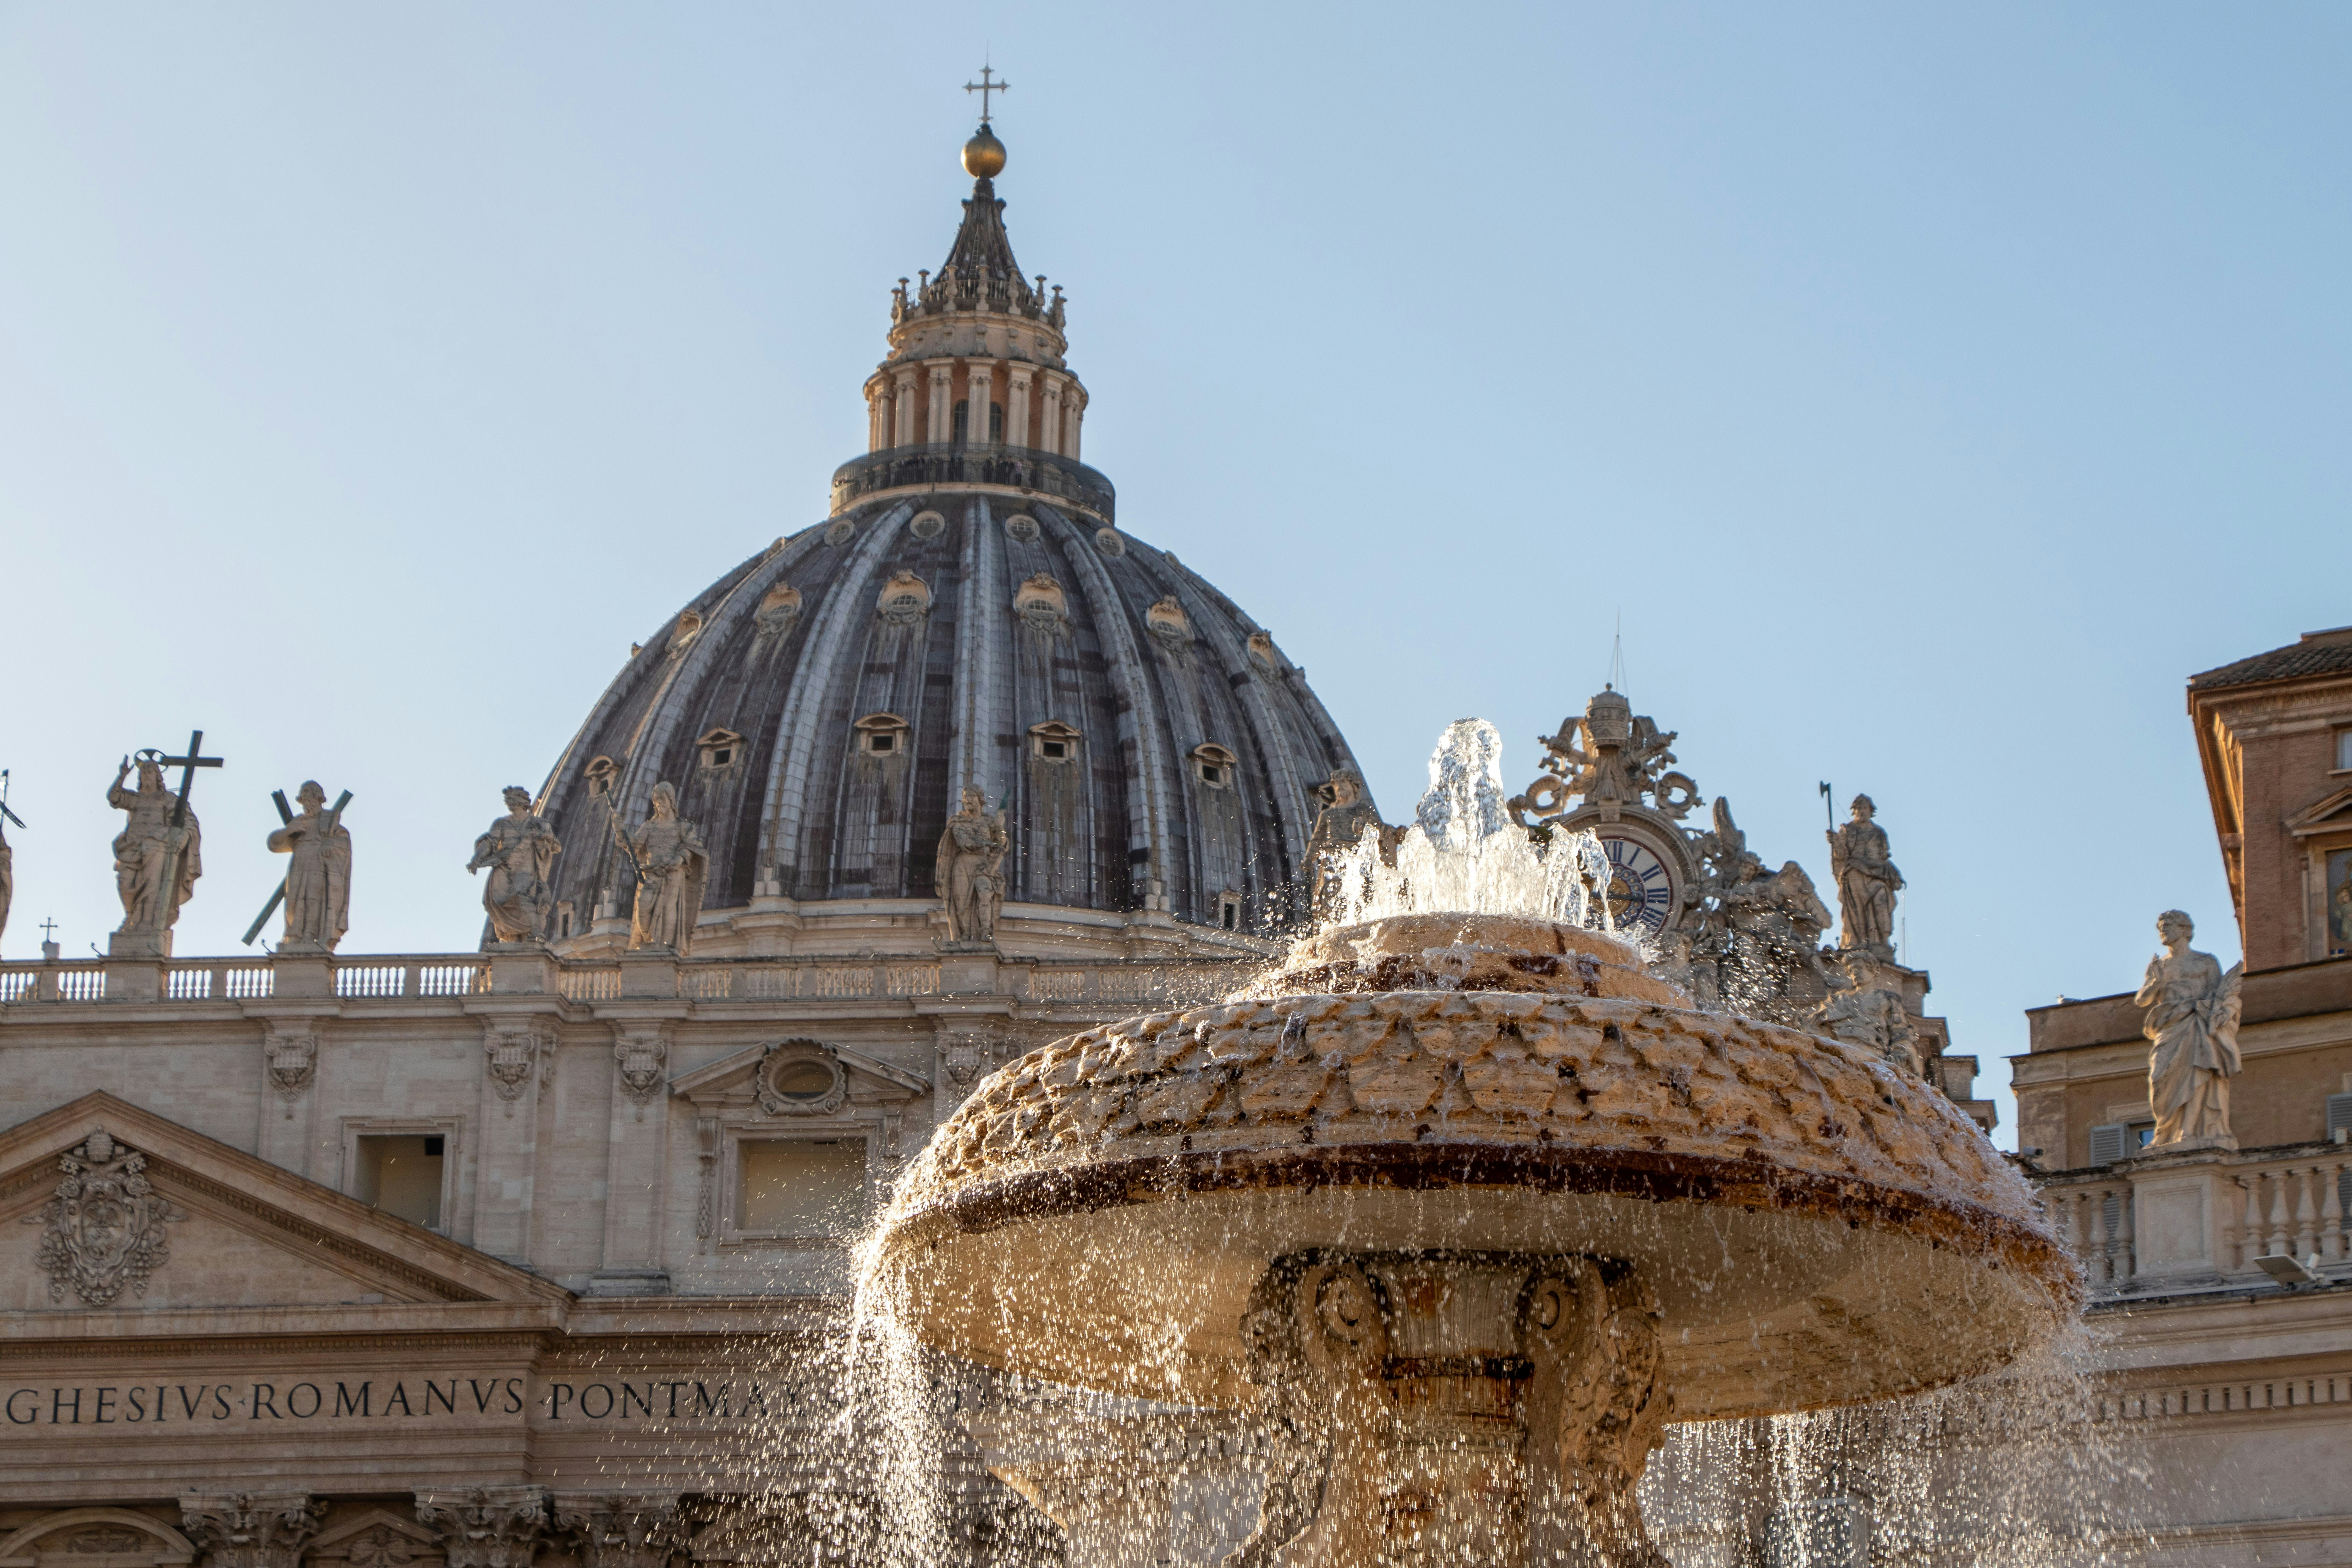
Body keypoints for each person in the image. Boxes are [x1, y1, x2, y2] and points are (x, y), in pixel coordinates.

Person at [2134, 910, 2243, 1146]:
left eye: (2168, 926)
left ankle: (2189, 1131)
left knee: (2198, 1073)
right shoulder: (2160, 965)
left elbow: (2219, 997)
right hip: (2169, 1027)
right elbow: (2142, 1000)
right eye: (2161, 928)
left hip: (2197, 1024)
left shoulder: (2206, 962)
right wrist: (2155, 984)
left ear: (2185, 930)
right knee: (2159, 1078)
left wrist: (2219, 1013)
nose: (2163, 931)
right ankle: (2165, 1130)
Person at [108, 753, 201, 936]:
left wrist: (183, 836)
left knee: (152, 886)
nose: (147, 777)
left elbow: (189, 820)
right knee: (124, 883)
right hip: (131, 848)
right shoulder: (135, 799)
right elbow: (114, 798)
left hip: (157, 846)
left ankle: (146, 923)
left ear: (158, 777)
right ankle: (131, 916)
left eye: (150, 774)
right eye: (143, 774)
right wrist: (122, 776)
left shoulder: (167, 799)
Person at [469, 786, 563, 944]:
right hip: (504, 866)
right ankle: (511, 934)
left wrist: (547, 837)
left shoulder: (539, 824)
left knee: (522, 894)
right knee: (493, 901)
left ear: (521, 801)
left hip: (527, 868)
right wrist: (476, 859)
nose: (509, 803)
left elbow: (557, 847)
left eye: (512, 799)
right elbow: (490, 842)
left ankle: (535, 930)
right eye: (508, 800)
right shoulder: (502, 824)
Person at [624, 782, 708, 954]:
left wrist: (679, 859)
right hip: (652, 871)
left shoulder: (682, 826)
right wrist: (621, 831)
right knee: (643, 904)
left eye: (661, 799)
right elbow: (634, 845)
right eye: (655, 800)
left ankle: (664, 945)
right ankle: (648, 941)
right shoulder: (649, 826)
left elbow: (692, 847)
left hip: (673, 871)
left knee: (670, 906)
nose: (658, 803)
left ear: (671, 800)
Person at [269, 781, 352, 952]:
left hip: (319, 863)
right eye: (302, 793)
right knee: (293, 899)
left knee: (314, 900)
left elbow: (344, 841)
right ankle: (294, 935)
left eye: (307, 792)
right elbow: (274, 844)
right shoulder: (299, 821)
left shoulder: (329, 820)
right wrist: (289, 831)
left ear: (317, 797)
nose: (304, 797)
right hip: (299, 862)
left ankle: (309, 935)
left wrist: (330, 844)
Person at [935, 786, 1008, 944]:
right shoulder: (957, 821)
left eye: (971, 796)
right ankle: (965, 936)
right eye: (965, 797)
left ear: (980, 799)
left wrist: (1001, 831)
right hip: (963, 864)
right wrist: (989, 843)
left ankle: (985, 932)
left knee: (984, 892)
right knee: (961, 903)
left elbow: (1002, 844)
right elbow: (964, 842)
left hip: (984, 866)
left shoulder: (990, 821)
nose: (967, 800)